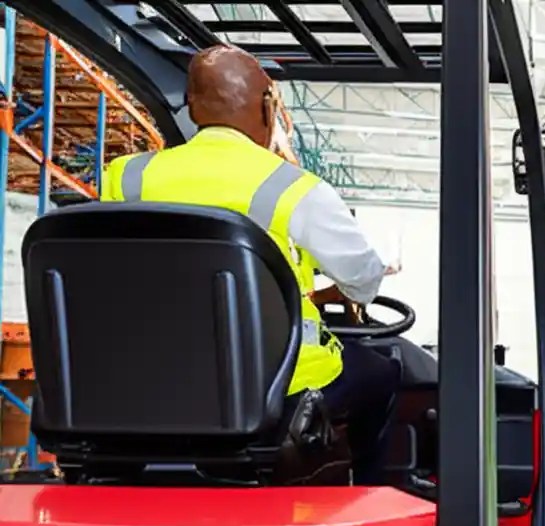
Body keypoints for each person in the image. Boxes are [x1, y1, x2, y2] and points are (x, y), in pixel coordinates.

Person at [100, 45, 399, 485]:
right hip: (273, 392)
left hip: (144, 387)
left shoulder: (124, 177)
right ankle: (370, 490)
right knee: (383, 371)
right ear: (267, 106)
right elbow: (362, 280)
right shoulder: (297, 190)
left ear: (192, 106)